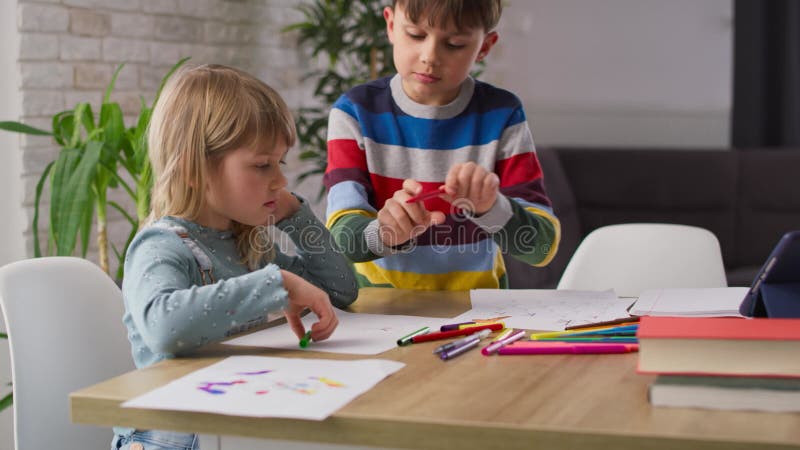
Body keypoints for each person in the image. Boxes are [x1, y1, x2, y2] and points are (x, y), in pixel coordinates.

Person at [113, 64, 357, 450]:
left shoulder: (248, 242)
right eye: (262, 165)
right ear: (196, 168)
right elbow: (163, 326)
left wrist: (296, 217)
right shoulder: (160, 245)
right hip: (169, 439)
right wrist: (276, 285)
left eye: (280, 163)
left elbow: (340, 289)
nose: (279, 180)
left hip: (233, 429)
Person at [325, 0, 560, 290]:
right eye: (416, 35)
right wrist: (385, 233)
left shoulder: (503, 114)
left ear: (485, 46)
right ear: (390, 26)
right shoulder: (354, 112)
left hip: (479, 314)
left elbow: (541, 247)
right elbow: (341, 239)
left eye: (455, 44)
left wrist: (490, 208)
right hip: (381, 312)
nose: (430, 56)